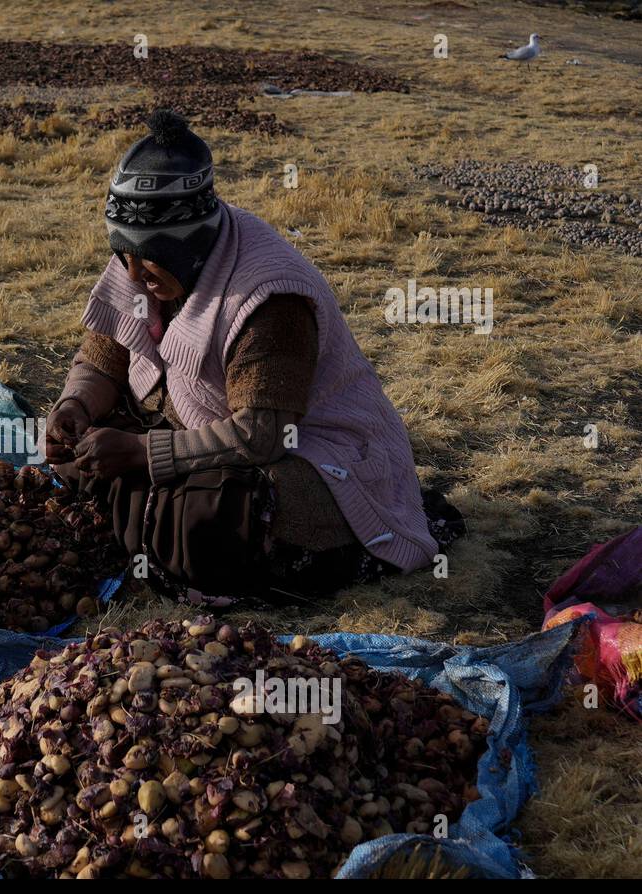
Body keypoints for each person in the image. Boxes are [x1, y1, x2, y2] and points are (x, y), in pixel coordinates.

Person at [45, 110, 462, 603]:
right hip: (198, 431)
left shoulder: (268, 297)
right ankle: (140, 517)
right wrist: (75, 405)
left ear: (189, 247)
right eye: (124, 258)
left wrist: (139, 453)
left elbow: (264, 435)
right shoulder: (141, 260)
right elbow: (103, 357)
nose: (133, 277)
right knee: (76, 450)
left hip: (311, 453)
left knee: (212, 520)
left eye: (147, 261)